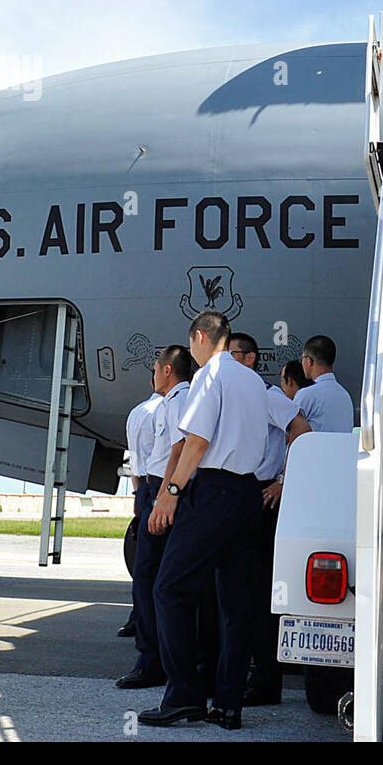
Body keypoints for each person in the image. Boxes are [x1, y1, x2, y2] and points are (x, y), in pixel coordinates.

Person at [139, 311, 269, 729]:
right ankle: (228, 704)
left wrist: (171, 494)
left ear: (199, 337)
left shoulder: (208, 375)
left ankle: (184, 696)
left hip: (213, 491)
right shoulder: (252, 379)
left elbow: (196, 442)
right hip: (248, 492)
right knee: (235, 604)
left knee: (169, 588)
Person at [228, 333, 311, 706]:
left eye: (232, 355)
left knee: (260, 593)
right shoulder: (234, 396)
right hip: (238, 494)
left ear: (249, 359)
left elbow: (302, 431)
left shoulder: (267, 396)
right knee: (237, 590)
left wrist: (282, 480)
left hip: (262, 495)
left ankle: (265, 680)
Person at [117, 348, 191, 690]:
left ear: (165, 371)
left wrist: (163, 496)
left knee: (148, 579)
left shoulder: (174, 402)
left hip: (161, 490)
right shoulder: (170, 403)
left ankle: (151, 661)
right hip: (162, 489)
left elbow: (175, 451)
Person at [119, 387, 163, 640]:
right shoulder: (167, 409)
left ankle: (139, 619)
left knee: (145, 564)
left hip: (145, 487)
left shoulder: (138, 412)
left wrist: (137, 494)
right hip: (164, 487)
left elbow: (134, 459)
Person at [295, 335, 355, 433]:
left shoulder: (307, 395)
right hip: (343, 448)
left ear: (310, 361)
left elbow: (292, 432)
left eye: (303, 358)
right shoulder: (345, 396)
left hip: (315, 448)